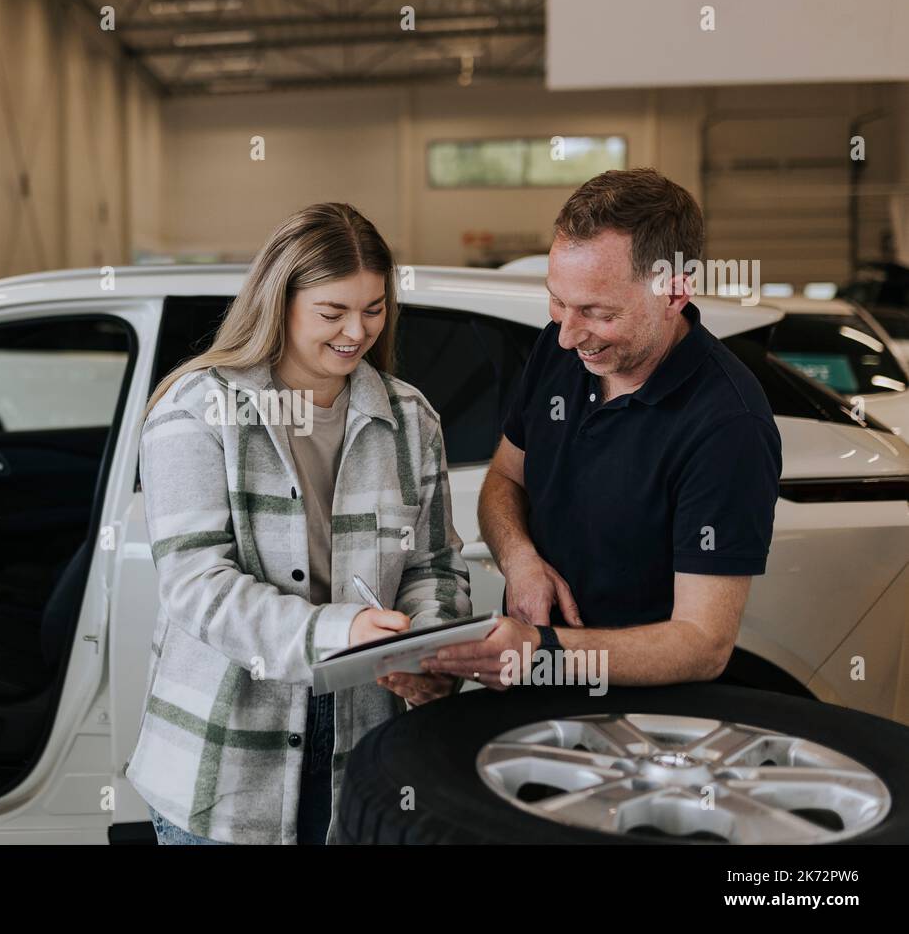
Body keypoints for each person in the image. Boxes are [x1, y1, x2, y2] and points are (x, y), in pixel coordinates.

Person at [124, 202, 471, 844]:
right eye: (332, 312)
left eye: (373, 309)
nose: (357, 332)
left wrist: (428, 645)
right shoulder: (198, 410)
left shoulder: (410, 418)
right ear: (278, 301)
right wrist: (342, 634)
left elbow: (433, 566)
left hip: (362, 745)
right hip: (223, 764)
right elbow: (197, 584)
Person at [422, 168, 782, 689]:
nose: (568, 335)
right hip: (528, 702)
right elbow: (505, 479)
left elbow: (703, 645)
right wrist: (520, 559)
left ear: (675, 293)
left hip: (639, 725)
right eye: (558, 302)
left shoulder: (728, 425)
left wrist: (543, 654)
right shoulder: (556, 350)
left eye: (597, 312)